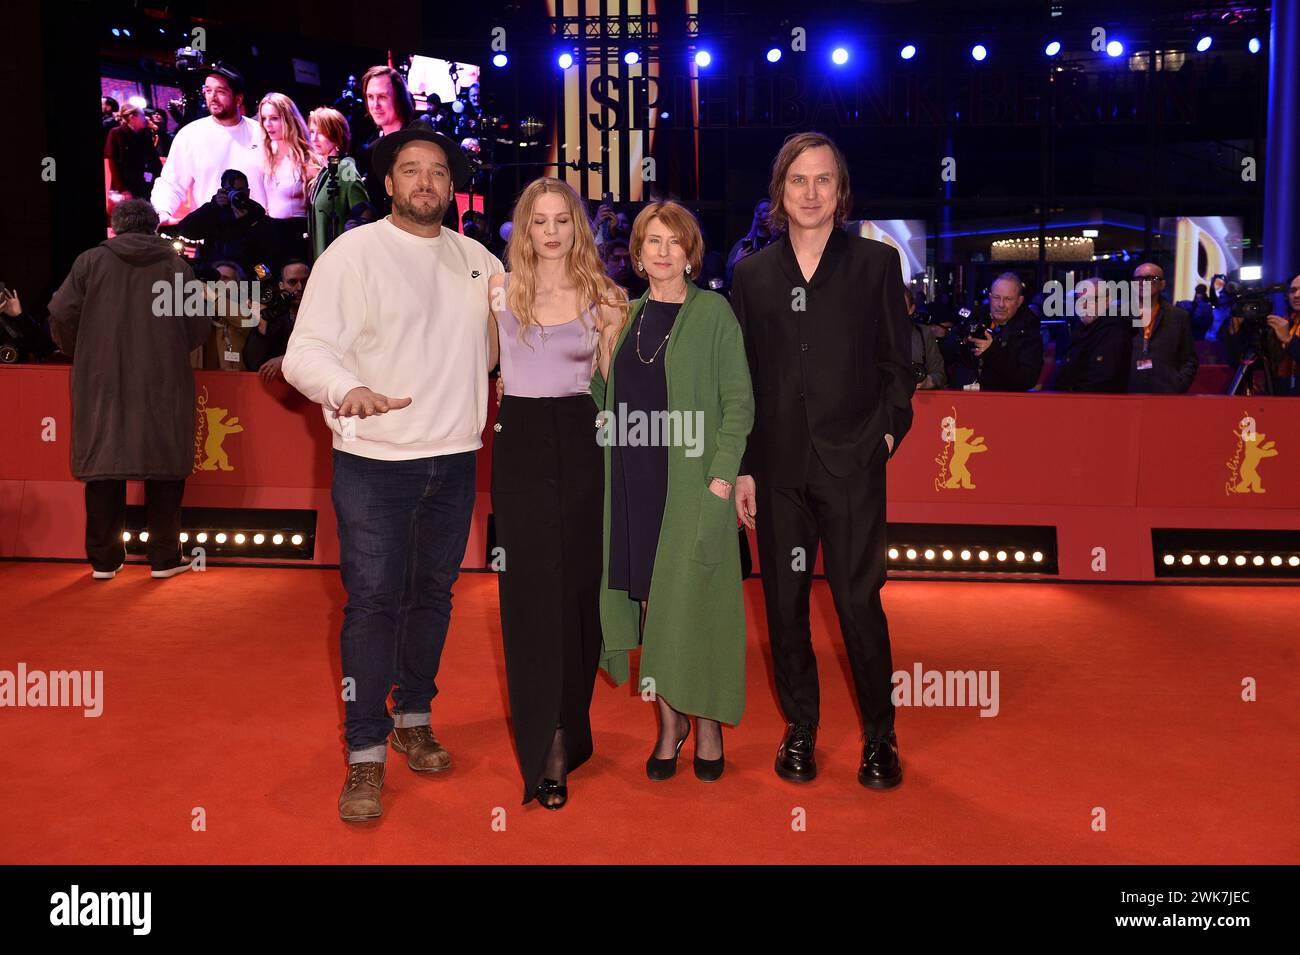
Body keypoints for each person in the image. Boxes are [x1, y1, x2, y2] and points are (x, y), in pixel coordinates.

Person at [281, 127, 503, 823]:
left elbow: (508, 345)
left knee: (432, 596)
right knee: (374, 602)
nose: (425, 182)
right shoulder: (352, 254)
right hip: (374, 462)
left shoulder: (478, 260)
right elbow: (305, 352)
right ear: (387, 183)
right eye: (411, 170)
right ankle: (366, 750)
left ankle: (413, 716)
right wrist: (346, 387)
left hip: (455, 457)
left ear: (451, 184)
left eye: (437, 171)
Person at [731, 131, 915, 790]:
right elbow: (742, 380)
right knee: (784, 607)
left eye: (824, 180)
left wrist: (884, 437)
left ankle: (880, 735)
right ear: (780, 191)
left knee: (858, 604)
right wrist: (745, 466)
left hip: (852, 467)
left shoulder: (875, 264)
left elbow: (899, 366)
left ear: (841, 191)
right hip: (778, 473)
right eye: (798, 180)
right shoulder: (752, 275)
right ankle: (801, 727)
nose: (811, 193)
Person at [595, 200, 754, 783]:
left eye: (674, 241)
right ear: (637, 254)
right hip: (634, 485)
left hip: (692, 487)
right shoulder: (625, 315)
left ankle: (707, 723)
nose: (663, 252)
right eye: (652, 241)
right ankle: (669, 723)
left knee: (698, 607)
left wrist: (722, 476)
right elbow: (601, 402)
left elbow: (739, 401)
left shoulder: (713, 312)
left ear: (690, 252)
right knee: (650, 608)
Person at [488, 177, 626, 809]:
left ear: (578, 227)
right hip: (518, 445)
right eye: (539, 221)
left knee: (575, 593)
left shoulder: (605, 298)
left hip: (580, 442)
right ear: (524, 227)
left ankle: (571, 725)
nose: (550, 232)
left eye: (562, 220)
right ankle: (544, 740)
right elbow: (473, 367)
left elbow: (619, 390)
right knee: (529, 596)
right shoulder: (497, 292)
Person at [45, 199, 209, 579]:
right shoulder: (176, 267)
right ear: (155, 227)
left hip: (102, 379)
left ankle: (104, 561)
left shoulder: (90, 262)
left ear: (116, 226)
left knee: (104, 464)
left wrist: (81, 347)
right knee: (166, 465)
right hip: (163, 380)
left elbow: (61, 313)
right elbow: (198, 326)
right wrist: (170, 347)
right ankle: (165, 559)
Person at [150, 64, 267, 224]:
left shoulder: (261, 133)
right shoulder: (190, 134)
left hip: (258, 229)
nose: (213, 97)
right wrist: (163, 211)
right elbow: (171, 183)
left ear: (238, 99)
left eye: (221, 91)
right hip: (210, 231)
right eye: (208, 90)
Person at [948, 273, 1044, 391]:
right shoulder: (975, 318)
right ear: (990, 297)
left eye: (1008, 299)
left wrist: (992, 350)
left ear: (1019, 301)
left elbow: (1027, 379)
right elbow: (947, 357)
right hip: (963, 396)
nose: (1001, 304)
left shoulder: (1028, 329)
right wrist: (960, 339)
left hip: (1003, 399)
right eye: (996, 297)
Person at [173, 168, 277, 274]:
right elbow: (185, 229)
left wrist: (245, 222)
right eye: (230, 190)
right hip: (216, 273)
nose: (236, 194)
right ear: (223, 191)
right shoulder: (214, 211)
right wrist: (213, 206)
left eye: (240, 190)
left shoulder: (256, 212)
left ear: (248, 191)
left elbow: (266, 249)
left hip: (247, 274)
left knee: (266, 276)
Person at [257, 92, 318, 265]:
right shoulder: (266, 155)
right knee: (261, 274)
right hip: (271, 235)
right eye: (264, 119)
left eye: (274, 118)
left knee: (296, 279)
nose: (268, 124)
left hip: (297, 238)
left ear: (288, 119)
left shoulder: (308, 159)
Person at [306, 107, 370, 260]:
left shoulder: (345, 168)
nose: (314, 138)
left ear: (336, 136)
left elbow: (365, 215)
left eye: (321, 133)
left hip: (340, 262)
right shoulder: (325, 171)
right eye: (312, 132)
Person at [1224, 271, 1300, 396]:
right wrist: (1235, 332)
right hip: (1281, 397)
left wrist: (1289, 340)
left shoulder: (1285, 330)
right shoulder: (1284, 324)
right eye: (1292, 290)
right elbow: (1252, 364)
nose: (1297, 295)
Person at [1128, 262, 1198, 394]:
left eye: (1151, 278)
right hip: (1127, 392)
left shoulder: (1178, 316)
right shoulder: (1120, 315)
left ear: (1162, 284)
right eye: (1139, 278)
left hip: (1166, 392)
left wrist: (1178, 385)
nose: (1143, 282)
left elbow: (1189, 359)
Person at [1053, 277, 1132, 393]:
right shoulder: (1078, 329)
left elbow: (1101, 380)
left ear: (1107, 301)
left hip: (1097, 401)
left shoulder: (1115, 331)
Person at [358, 65, 414, 217]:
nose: (375, 105)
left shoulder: (421, 145)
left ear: (399, 99)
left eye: (382, 96)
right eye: (370, 97)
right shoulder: (371, 151)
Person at [244, 258, 309, 378]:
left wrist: (286, 360)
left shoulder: (324, 313)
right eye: (292, 282)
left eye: (305, 281)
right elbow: (254, 364)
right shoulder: (275, 317)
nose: (300, 287)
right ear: (281, 286)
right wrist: (263, 321)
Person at [103, 104, 161, 213]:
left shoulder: (145, 134)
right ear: (132, 117)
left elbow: (154, 159)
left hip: (144, 185)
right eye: (142, 115)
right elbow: (113, 164)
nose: (145, 118)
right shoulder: (116, 133)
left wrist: (158, 179)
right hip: (125, 187)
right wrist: (122, 189)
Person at [724, 198, 779, 288]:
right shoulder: (742, 244)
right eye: (758, 211)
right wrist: (735, 262)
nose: (761, 214)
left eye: (766, 210)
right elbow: (728, 275)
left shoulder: (778, 243)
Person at [904, 287, 946, 389]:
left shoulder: (923, 334)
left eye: (901, 305)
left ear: (911, 309)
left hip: (918, 396)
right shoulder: (875, 335)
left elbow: (940, 375)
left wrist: (926, 382)